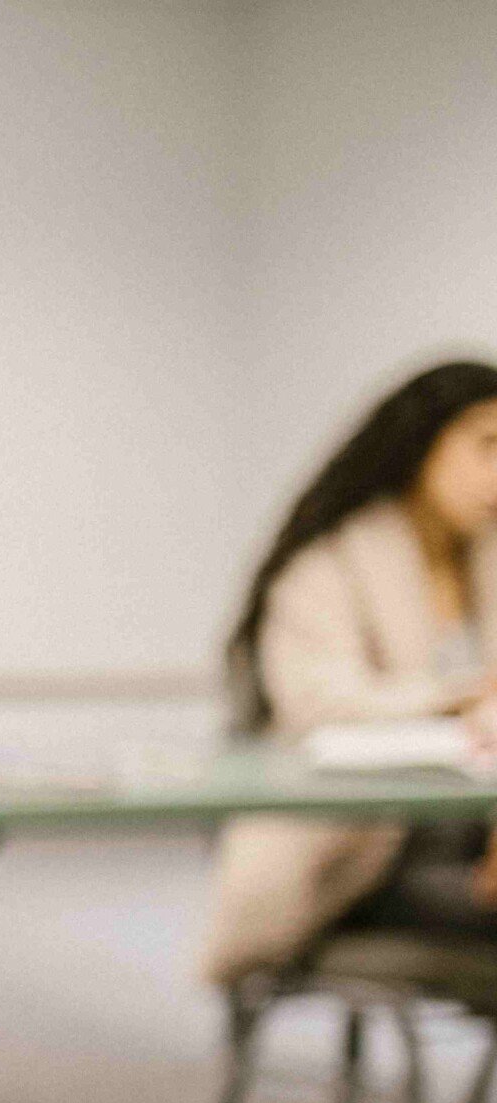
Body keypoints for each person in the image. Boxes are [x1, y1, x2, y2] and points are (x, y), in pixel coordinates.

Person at [206, 360, 497, 982]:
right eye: (487, 445)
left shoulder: (489, 561)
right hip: (360, 861)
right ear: (423, 443)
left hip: (473, 840)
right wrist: (454, 698)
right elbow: (316, 706)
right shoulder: (329, 565)